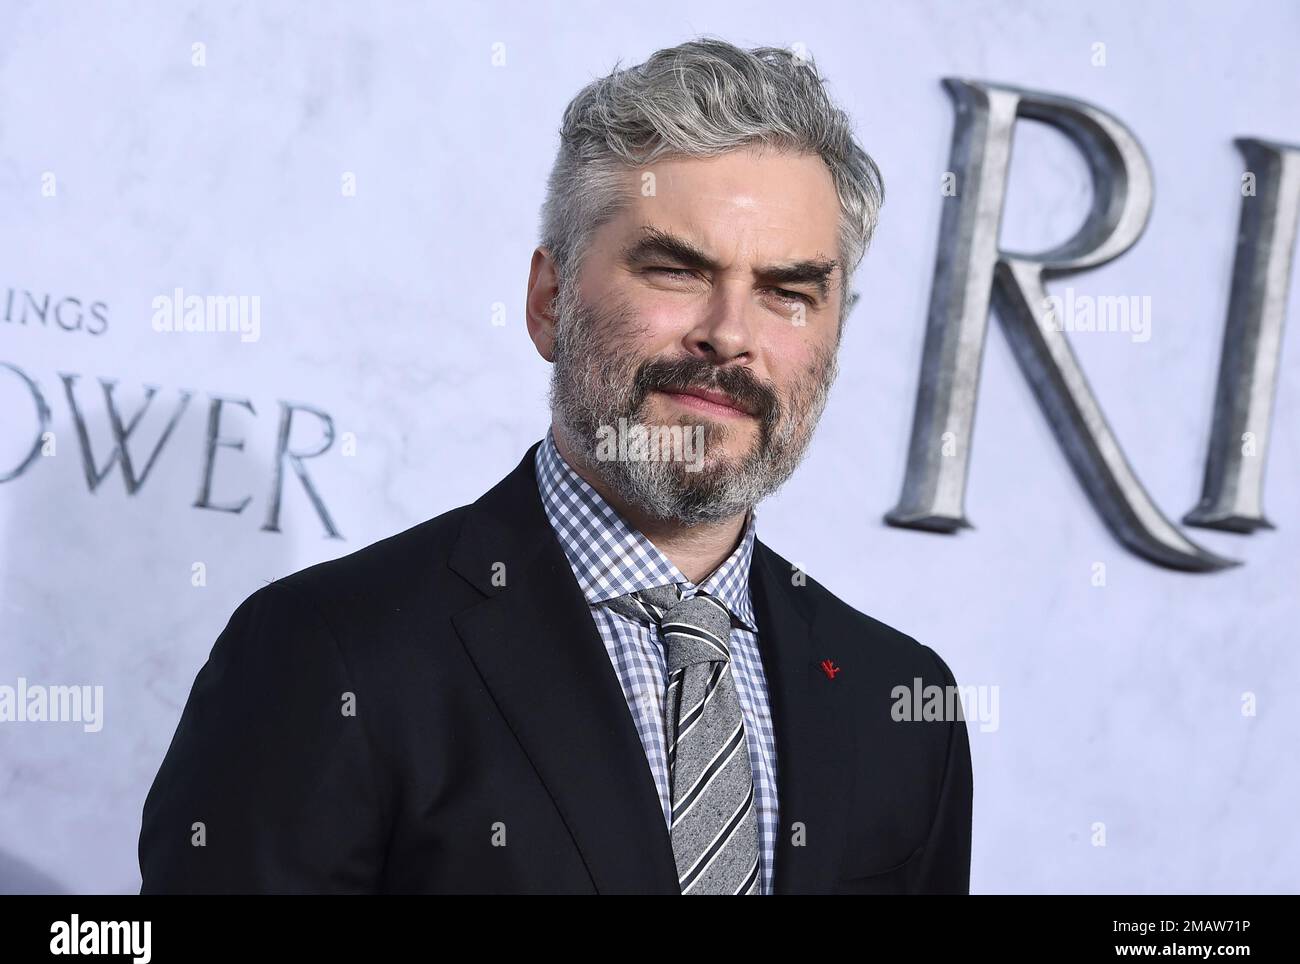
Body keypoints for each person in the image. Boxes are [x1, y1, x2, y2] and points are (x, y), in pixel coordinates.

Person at [139, 36, 972, 895]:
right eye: (677, 270)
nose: (731, 334)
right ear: (550, 301)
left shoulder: (902, 703)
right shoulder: (329, 655)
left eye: (787, 293)